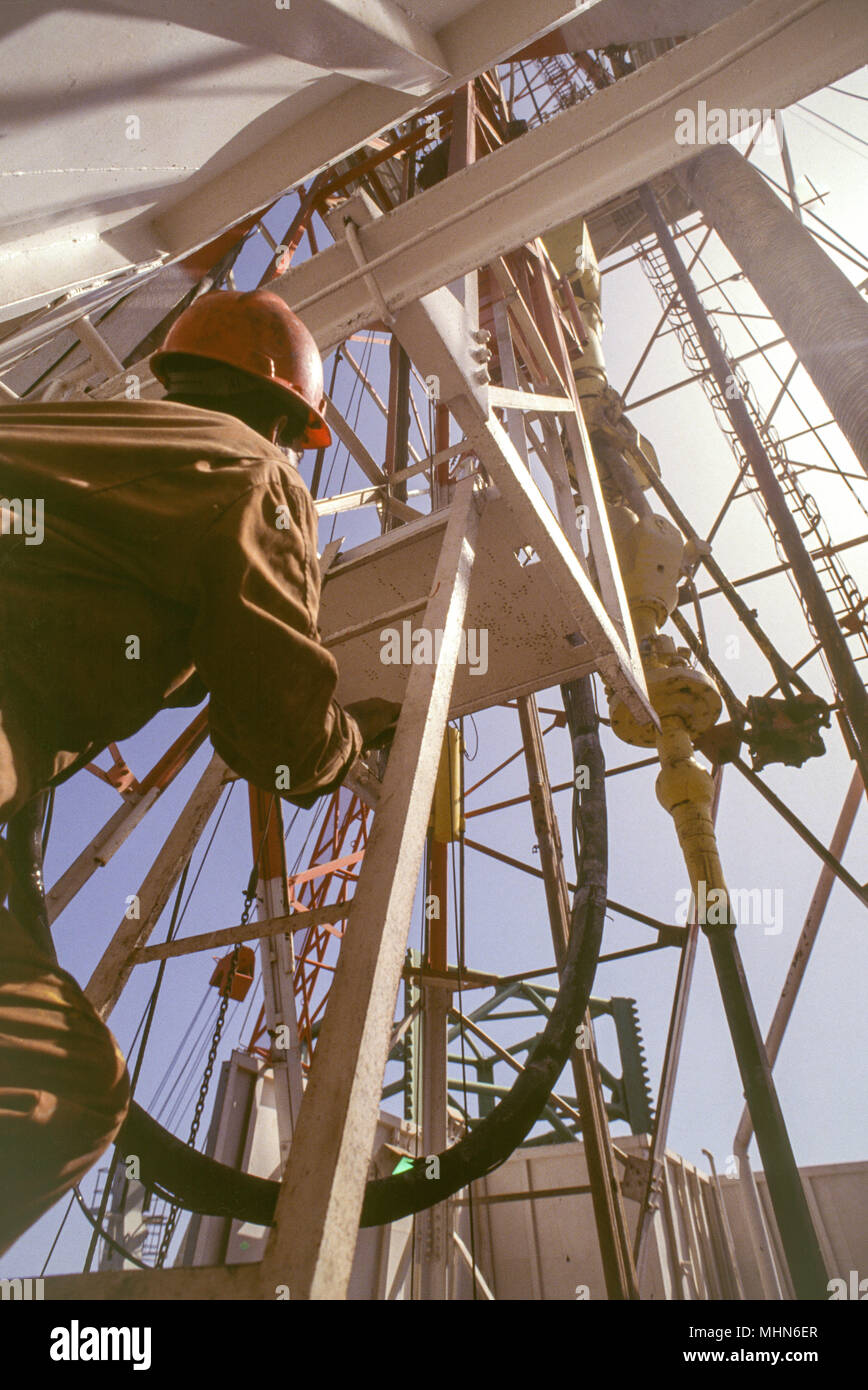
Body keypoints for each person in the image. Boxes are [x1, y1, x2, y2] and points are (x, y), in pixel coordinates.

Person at [0, 289, 398, 1255]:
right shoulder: (251, 470)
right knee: (56, 1082)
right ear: (284, 413)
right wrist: (347, 746)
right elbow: (277, 731)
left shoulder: (68, 426)